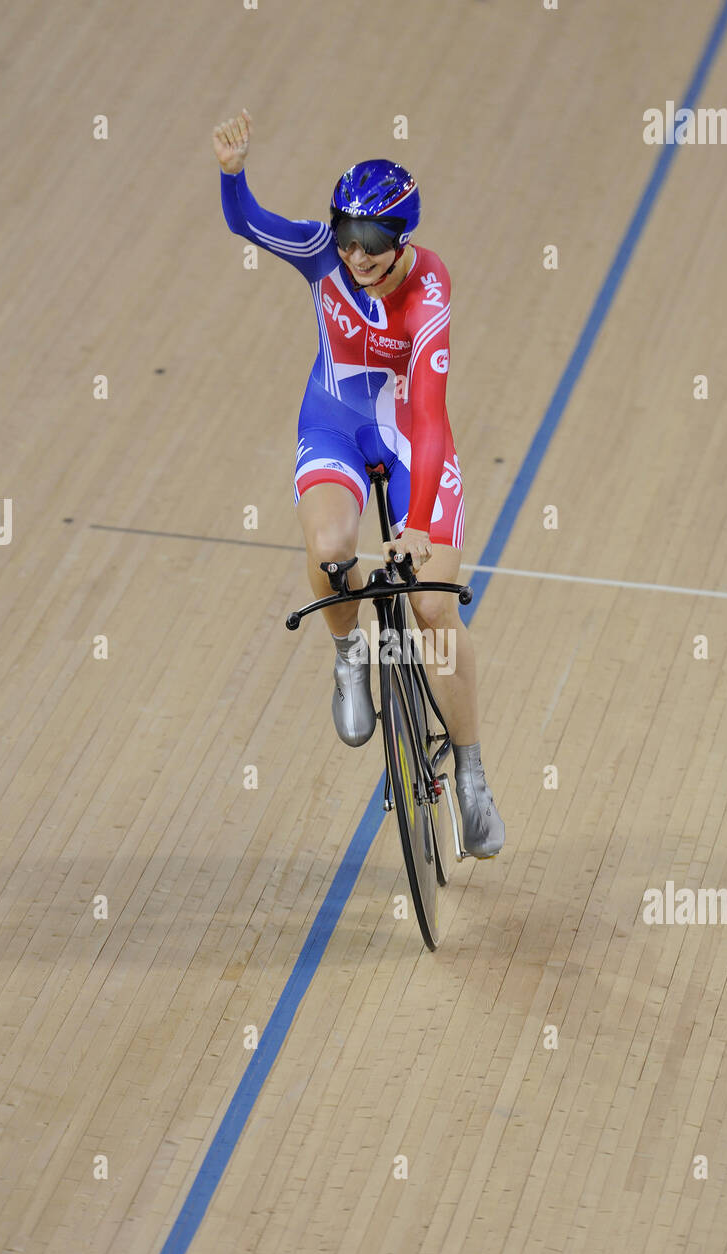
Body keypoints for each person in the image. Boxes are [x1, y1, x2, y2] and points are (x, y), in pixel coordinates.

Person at [213, 108, 504, 858]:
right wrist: (233, 172)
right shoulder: (321, 253)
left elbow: (433, 417)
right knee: (332, 546)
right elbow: (246, 223)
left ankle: (470, 774)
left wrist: (415, 525)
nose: (356, 254)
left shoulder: (429, 290)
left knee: (435, 610)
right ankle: (349, 655)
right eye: (348, 237)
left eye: (373, 243)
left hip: (410, 434)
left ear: (401, 239)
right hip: (336, 421)